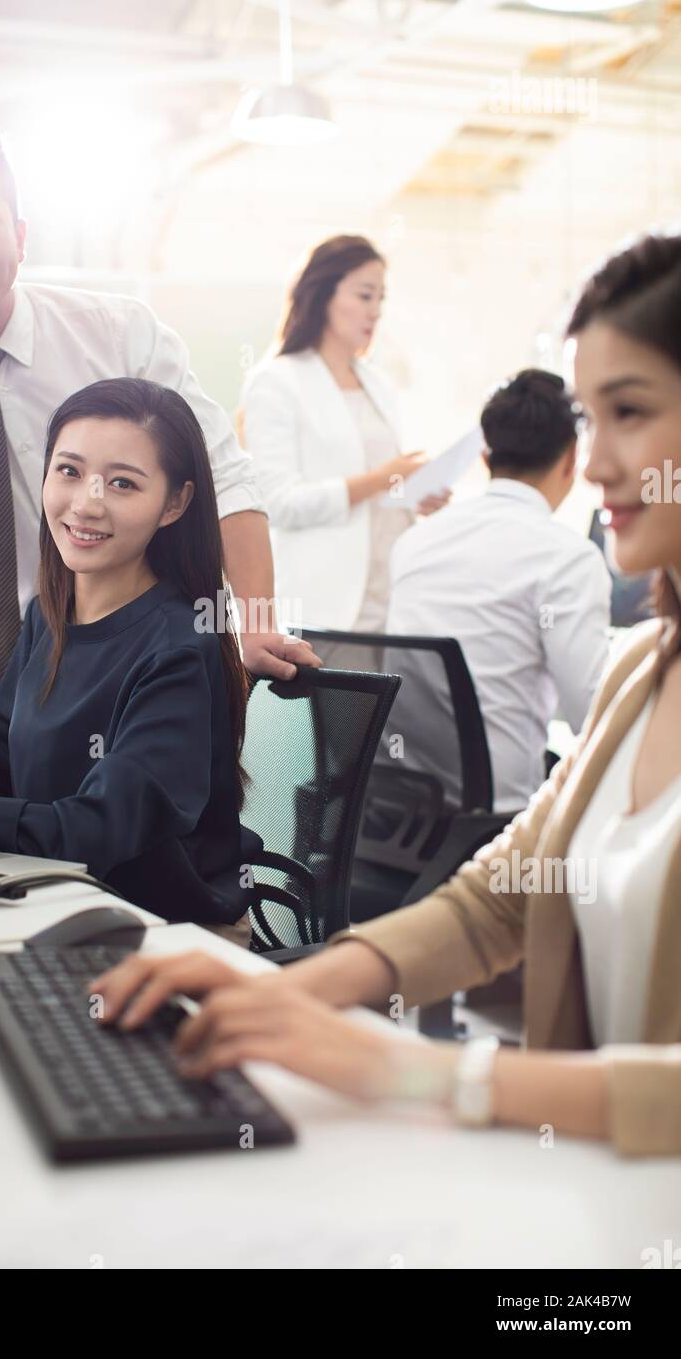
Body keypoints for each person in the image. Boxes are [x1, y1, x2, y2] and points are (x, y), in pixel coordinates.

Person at [89, 232, 681, 1157]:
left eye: (631, 412)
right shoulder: (646, 671)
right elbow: (497, 903)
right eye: (590, 420)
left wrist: (398, 1068)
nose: (597, 465)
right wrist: (282, 988)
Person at [0, 116, 320, 702]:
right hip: (23, 667)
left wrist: (256, 622)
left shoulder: (118, 334)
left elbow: (224, 476)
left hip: (159, 650)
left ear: (20, 236)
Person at [0, 378, 261, 942]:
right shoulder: (47, 615)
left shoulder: (180, 648)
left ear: (174, 503)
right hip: (64, 900)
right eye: (68, 471)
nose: (86, 502)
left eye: (122, 483)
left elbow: (90, 831)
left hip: (172, 932)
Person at [381, 369, 611, 812]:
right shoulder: (568, 558)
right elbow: (595, 719)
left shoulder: (414, 543)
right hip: (501, 821)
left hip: (399, 814)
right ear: (571, 458)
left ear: (486, 455)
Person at [240, 235, 449, 661]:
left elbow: (380, 491)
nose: (375, 311)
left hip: (391, 606)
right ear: (322, 294)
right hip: (328, 610)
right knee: (331, 729)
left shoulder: (378, 384)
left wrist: (412, 495)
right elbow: (279, 504)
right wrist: (382, 478)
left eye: (381, 298)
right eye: (365, 295)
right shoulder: (276, 382)